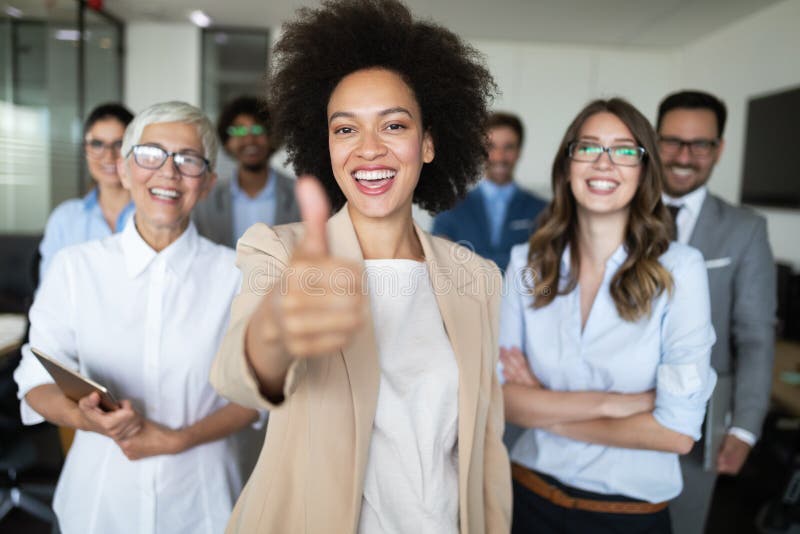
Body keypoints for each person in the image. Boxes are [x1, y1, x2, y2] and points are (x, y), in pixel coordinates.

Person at [209, 0, 511, 532]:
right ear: (325, 146)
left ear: (428, 143)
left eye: (393, 125)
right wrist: (275, 327)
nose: (369, 150)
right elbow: (237, 376)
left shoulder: (478, 277)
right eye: (345, 130)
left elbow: (485, 446)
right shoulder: (280, 252)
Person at [14, 101, 259, 534]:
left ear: (207, 183)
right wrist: (85, 418)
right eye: (150, 155)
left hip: (201, 505)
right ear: (125, 171)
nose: (168, 172)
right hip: (100, 504)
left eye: (188, 159)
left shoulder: (238, 275)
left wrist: (179, 439)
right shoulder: (75, 268)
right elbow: (35, 380)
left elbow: (254, 396)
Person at [499, 98, 717, 534]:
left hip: (628, 515)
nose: (604, 162)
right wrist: (615, 405)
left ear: (644, 170)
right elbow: (499, 399)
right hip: (527, 498)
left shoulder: (681, 269)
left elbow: (676, 434)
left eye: (623, 150)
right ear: (568, 165)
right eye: (588, 147)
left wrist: (544, 405)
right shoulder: (526, 263)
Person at [656, 90, 777, 534]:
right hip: (611, 405)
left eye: (700, 144)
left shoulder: (746, 229)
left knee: (681, 525)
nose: (684, 157)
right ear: (654, 141)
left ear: (719, 148)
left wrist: (744, 428)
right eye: (672, 141)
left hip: (699, 418)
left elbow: (756, 335)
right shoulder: (618, 210)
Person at [432, 112, 546, 271]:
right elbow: (440, 263)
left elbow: (545, 263)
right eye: (491, 147)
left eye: (508, 147)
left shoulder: (543, 211)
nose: (499, 157)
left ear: (519, 151)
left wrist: (470, 261)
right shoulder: (450, 209)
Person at [38, 103, 135, 280]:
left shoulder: (156, 215)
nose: (109, 156)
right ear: (85, 150)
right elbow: (50, 289)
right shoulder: (65, 219)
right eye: (97, 144)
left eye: (119, 144)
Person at [193, 96, 300, 248]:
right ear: (227, 141)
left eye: (258, 129)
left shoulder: (299, 196)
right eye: (239, 130)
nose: (250, 139)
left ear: (272, 137)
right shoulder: (206, 201)